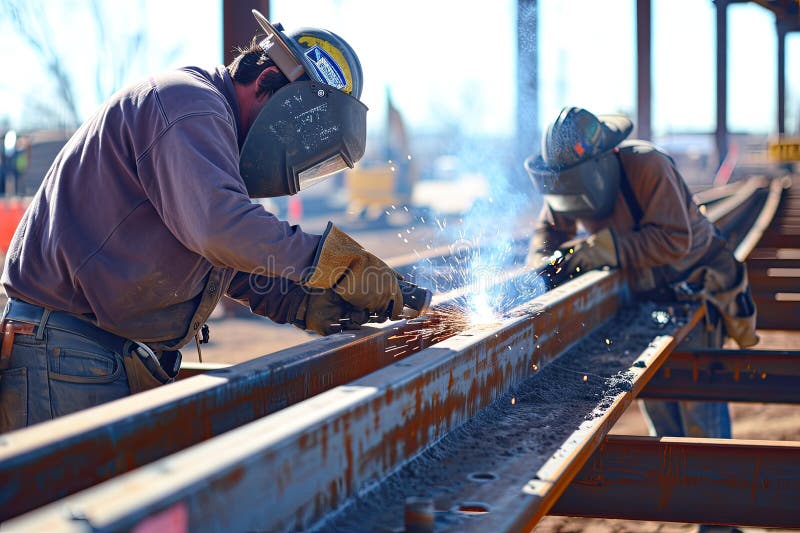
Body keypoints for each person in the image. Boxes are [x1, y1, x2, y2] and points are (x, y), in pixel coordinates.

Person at [0, 10, 420, 432]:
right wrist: (333, 262)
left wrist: (303, 301)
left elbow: (221, 265)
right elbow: (220, 228)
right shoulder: (187, 104)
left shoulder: (211, 140)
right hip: (66, 349)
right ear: (267, 83)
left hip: (95, 352)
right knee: (85, 499)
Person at [524, 106, 759, 444]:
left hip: (692, 291)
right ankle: (676, 493)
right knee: (662, 416)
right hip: (643, 302)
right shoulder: (567, 178)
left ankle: (713, 490)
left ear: (604, 161)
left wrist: (609, 249)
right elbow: (548, 230)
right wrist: (541, 270)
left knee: (700, 421)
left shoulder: (648, 166)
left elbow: (676, 240)